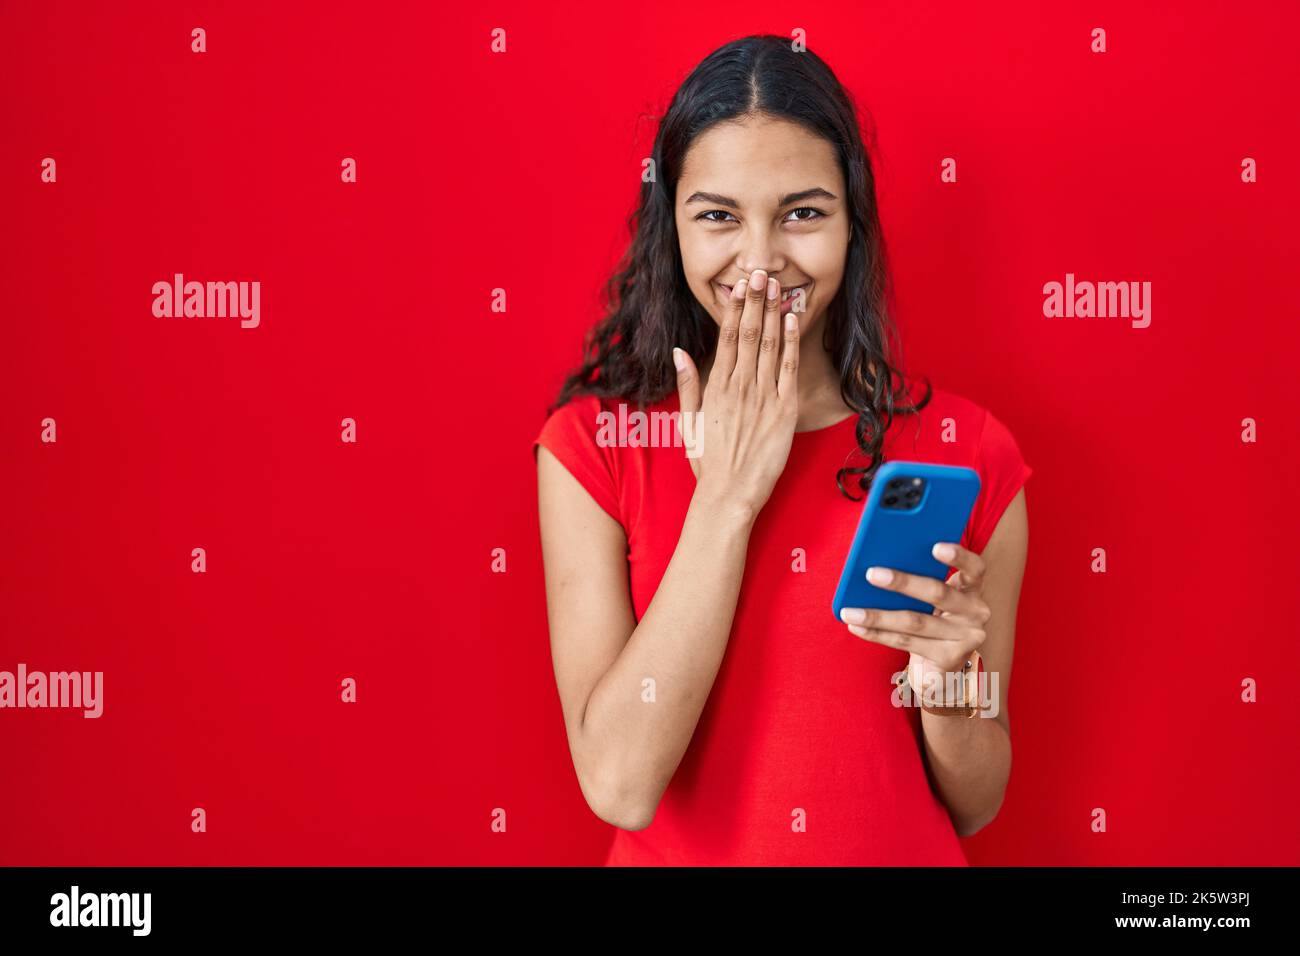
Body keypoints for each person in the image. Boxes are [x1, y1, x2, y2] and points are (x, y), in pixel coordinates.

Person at [533, 34, 1032, 865]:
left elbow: (975, 806)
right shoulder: (592, 449)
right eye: (719, 217)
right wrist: (727, 496)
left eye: (803, 213)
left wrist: (948, 686)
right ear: (674, 230)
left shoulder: (970, 453)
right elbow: (619, 783)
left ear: (853, 222)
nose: (760, 263)